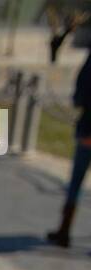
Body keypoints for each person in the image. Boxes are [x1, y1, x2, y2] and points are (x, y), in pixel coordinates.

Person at [48, 50, 91, 249]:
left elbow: (80, 96)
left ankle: (64, 230)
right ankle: (63, 231)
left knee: (76, 183)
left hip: (88, 130)